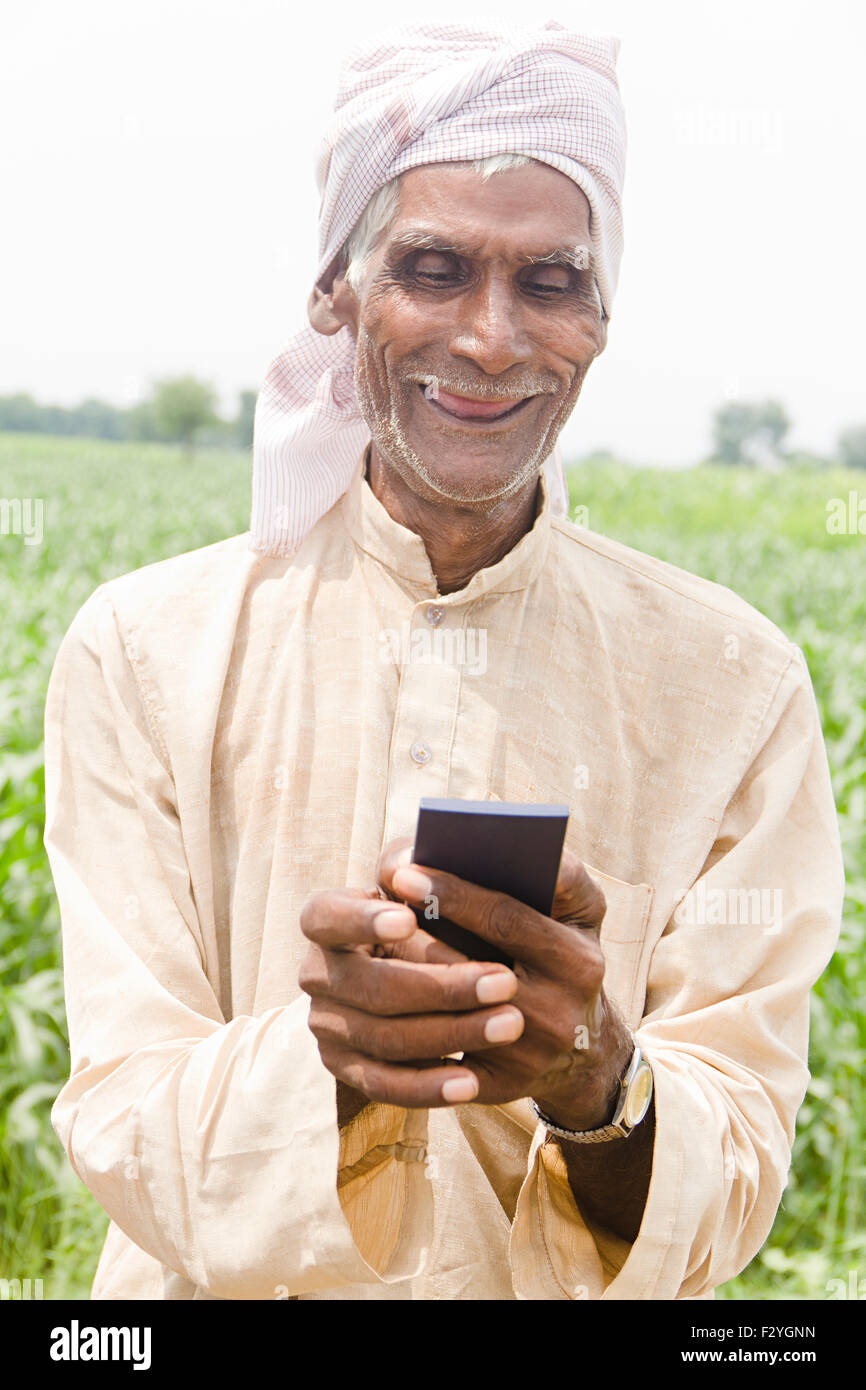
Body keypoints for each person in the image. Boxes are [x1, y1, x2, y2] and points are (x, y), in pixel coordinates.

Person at [43, 21, 844, 1300]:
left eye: (548, 281)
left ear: (597, 314)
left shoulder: (733, 687)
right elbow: (123, 1119)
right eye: (432, 267)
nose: (488, 338)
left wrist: (594, 1075)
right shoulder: (144, 651)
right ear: (336, 293)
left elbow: (739, 1157)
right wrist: (336, 1057)